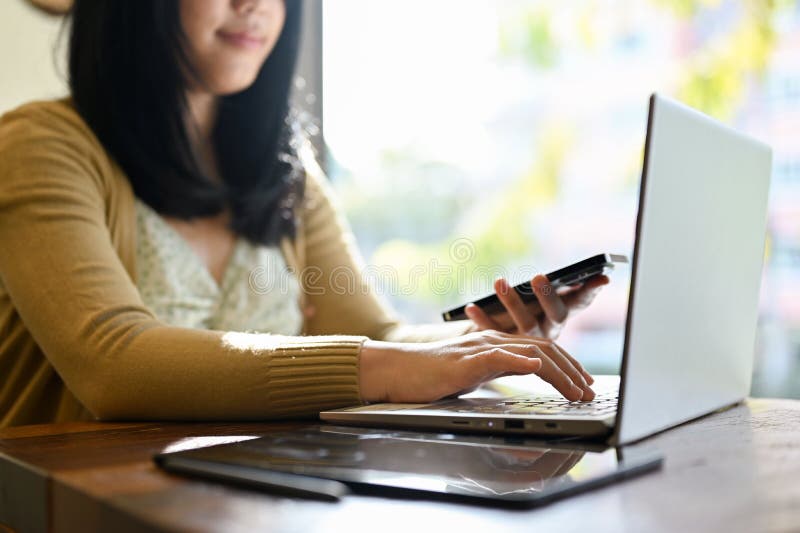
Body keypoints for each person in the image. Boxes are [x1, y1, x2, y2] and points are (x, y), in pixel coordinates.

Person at [0, 0, 608, 428]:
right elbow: (115, 361)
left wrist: (487, 342)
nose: (255, 5)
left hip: (244, 498)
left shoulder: (284, 169)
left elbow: (379, 336)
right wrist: (395, 365)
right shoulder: (40, 145)